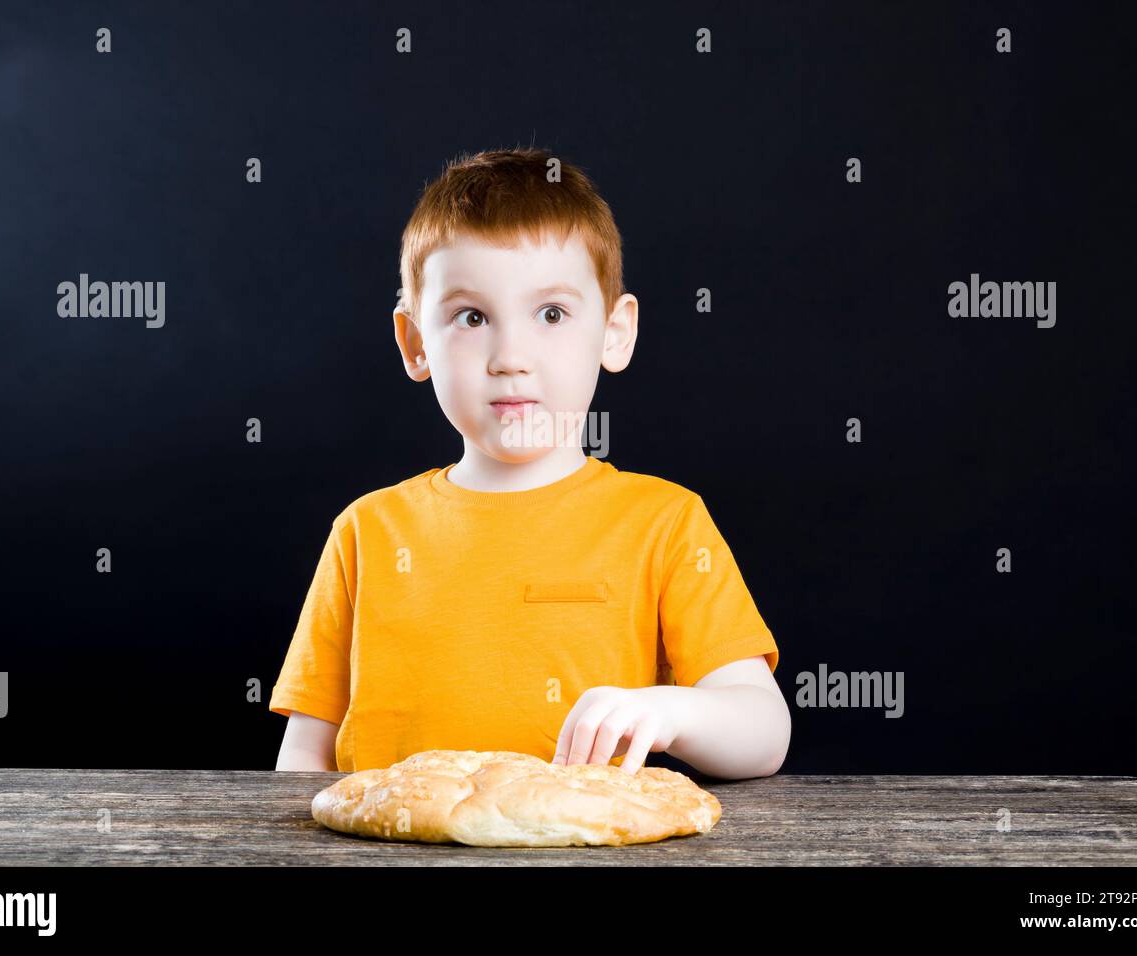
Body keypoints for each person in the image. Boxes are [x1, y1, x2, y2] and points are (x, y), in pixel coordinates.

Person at [271, 147, 790, 778]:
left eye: (551, 314)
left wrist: (670, 711)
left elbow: (764, 731)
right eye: (471, 317)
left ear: (614, 333)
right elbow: (306, 754)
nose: (510, 356)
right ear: (414, 344)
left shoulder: (665, 522)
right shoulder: (367, 531)